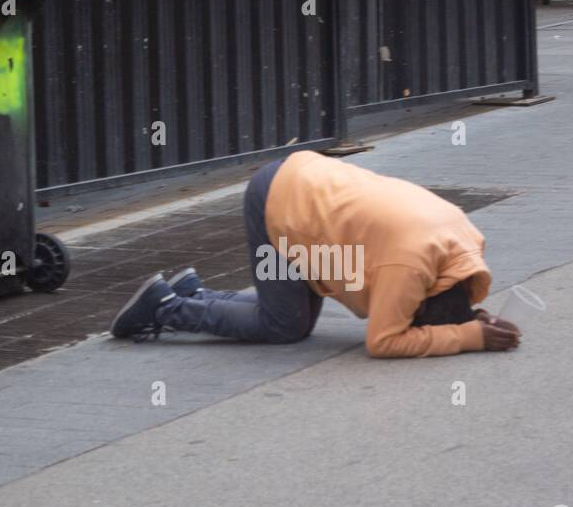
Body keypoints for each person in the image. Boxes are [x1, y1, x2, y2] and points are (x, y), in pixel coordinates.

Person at [110, 151, 523, 356]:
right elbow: (383, 342)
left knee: (297, 312)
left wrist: (473, 315)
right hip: (280, 201)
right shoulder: (408, 269)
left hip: (312, 185)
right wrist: (470, 336)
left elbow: (440, 292)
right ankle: (163, 307)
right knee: (285, 326)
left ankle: (195, 294)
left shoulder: (466, 239)